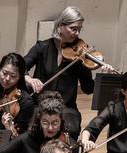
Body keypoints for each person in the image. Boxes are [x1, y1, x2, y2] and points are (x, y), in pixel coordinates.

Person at [22, 6, 102, 140]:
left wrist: (101, 77)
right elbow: (20, 67)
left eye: (79, 29)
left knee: (70, 131)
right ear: (60, 26)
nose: (77, 33)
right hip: (40, 106)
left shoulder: (80, 56)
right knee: (30, 128)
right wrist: (29, 79)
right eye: (73, 28)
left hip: (67, 109)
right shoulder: (42, 48)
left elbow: (88, 88)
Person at [0, 91, 73, 153]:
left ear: (61, 122)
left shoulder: (67, 143)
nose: (50, 128)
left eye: (55, 123)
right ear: (39, 120)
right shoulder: (28, 139)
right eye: (45, 122)